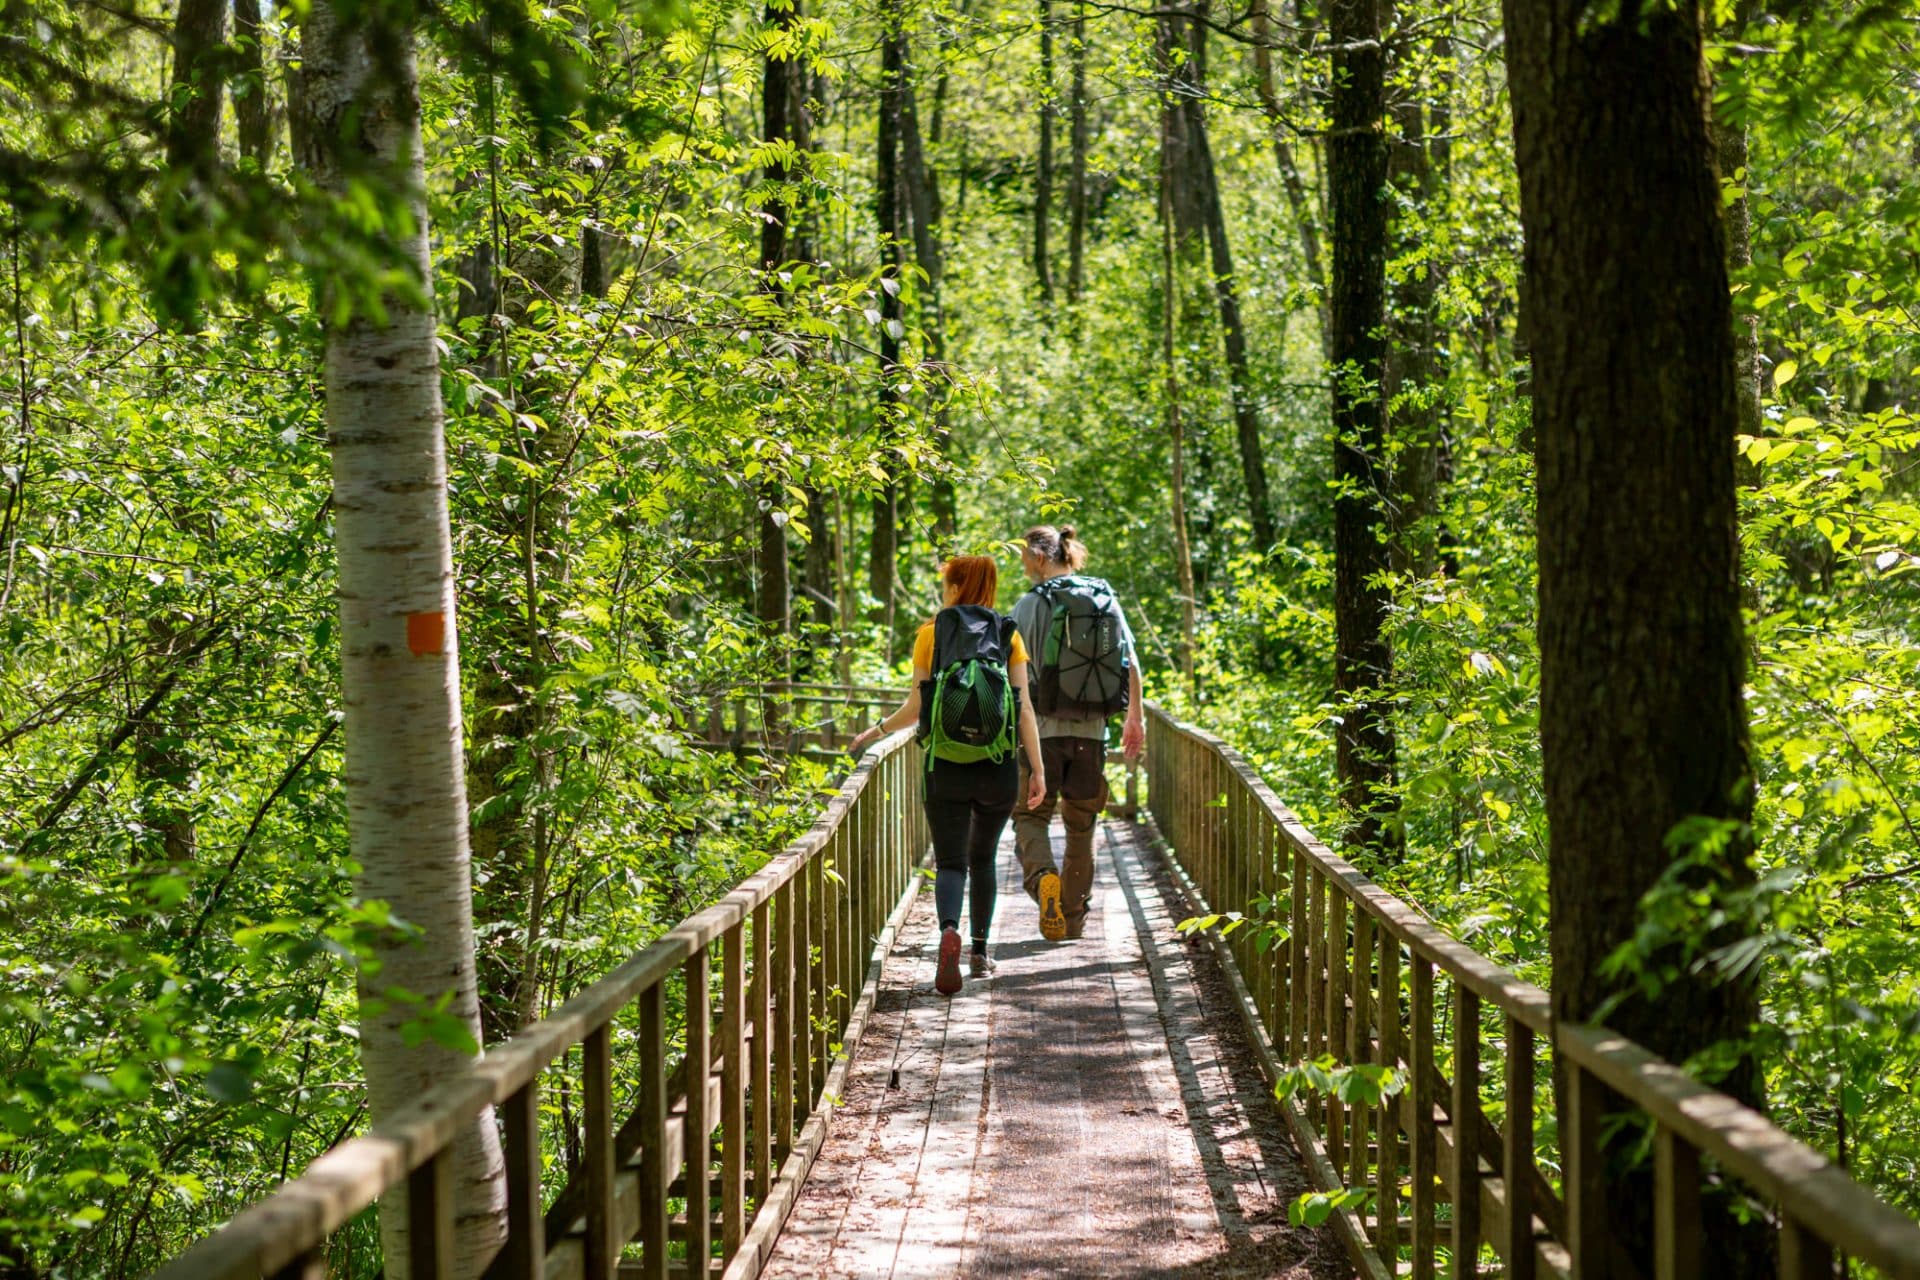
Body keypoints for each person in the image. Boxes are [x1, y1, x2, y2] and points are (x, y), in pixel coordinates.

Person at [850, 556, 1048, 995]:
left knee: (952, 861)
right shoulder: (1007, 633)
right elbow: (1025, 709)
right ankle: (979, 952)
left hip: (945, 768)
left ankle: (947, 931)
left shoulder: (930, 634)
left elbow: (916, 710)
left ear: (955, 585)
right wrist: (1037, 769)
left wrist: (874, 731)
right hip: (997, 768)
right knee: (984, 859)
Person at [1010, 525, 1144, 941]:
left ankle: (1043, 878)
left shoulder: (1027, 605)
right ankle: (1072, 916)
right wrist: (1134, 718)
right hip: (1092, 734)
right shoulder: (1102, 598)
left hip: (1042, 734)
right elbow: (1131, 664)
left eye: (1022, 554)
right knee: (1081, 824)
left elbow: (1011, 676)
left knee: (1030, 815)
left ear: (1037, 556)